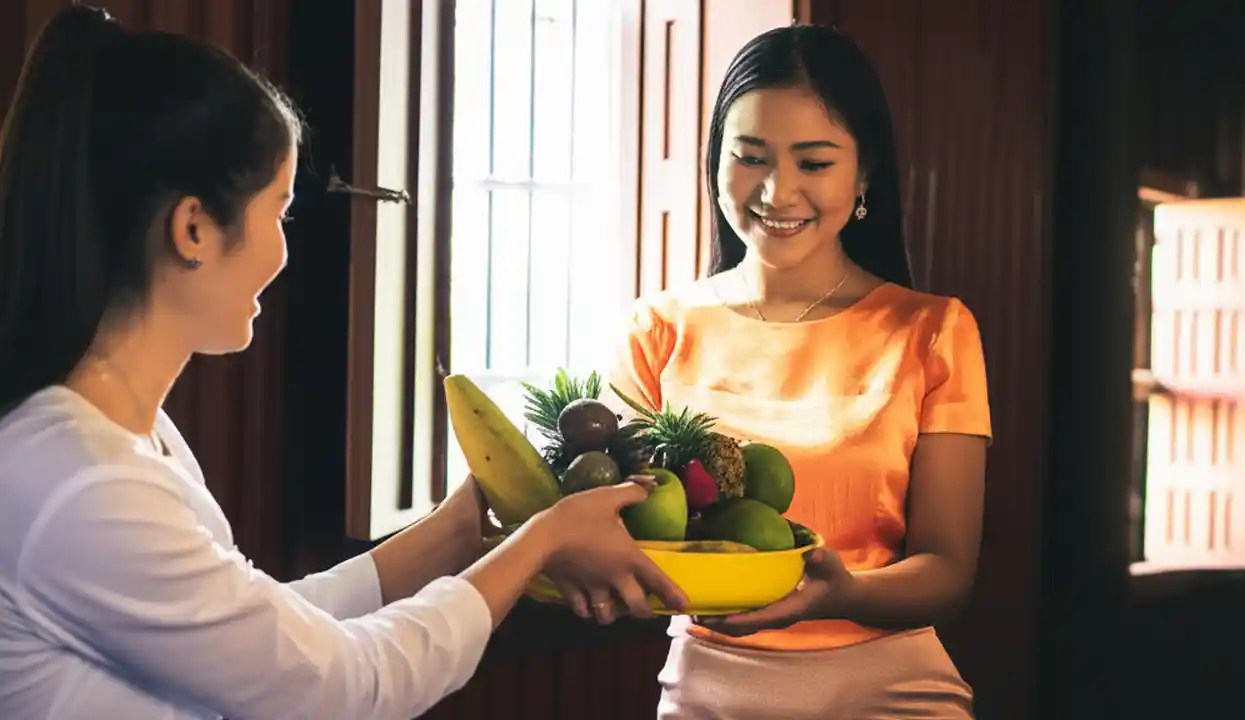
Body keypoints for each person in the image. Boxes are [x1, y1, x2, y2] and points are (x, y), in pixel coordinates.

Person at [0, 7, 685, 719]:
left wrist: (459, 529)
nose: (283, 253)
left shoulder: (124, 439)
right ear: (194, 228)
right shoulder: (83, 482)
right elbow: (332, 687)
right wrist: (540, 544)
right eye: (281, 211)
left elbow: (265, 636)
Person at [609, 25, 991, 719]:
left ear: (864, 172)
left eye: (814, 163)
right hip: (709, 687)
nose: (778, 192)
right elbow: (618, 525)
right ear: (714, 162)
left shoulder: (934, 331)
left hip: (891, 689)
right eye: (750, 158)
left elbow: (949, 571)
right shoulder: (657, 329)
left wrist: (841, 595)